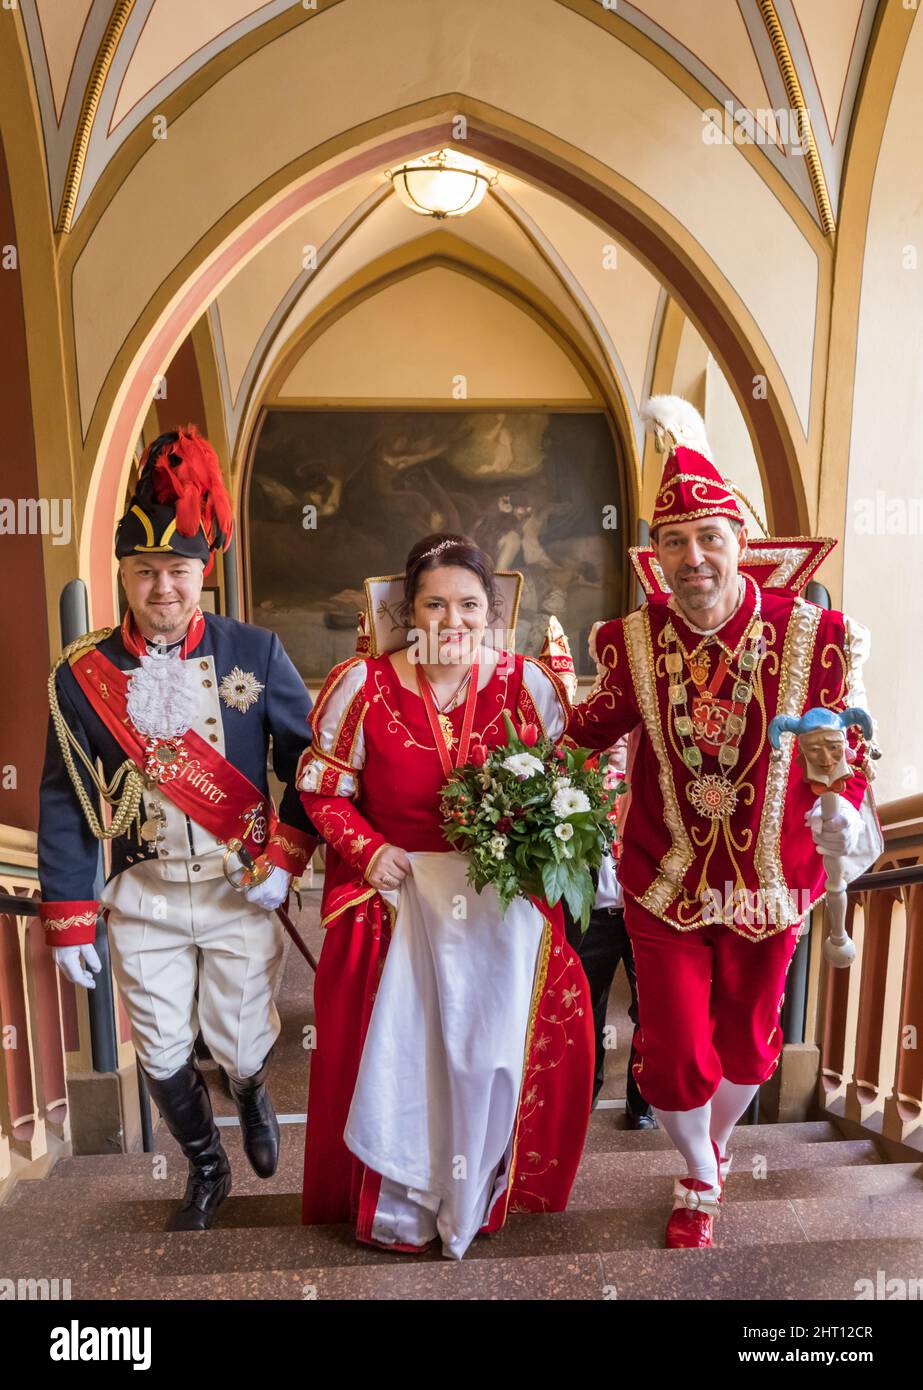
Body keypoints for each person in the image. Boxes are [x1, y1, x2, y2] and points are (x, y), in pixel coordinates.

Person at [566, 396, 883, 1249]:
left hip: (772, 881)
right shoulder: (629, 640)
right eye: (674, 541)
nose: (693, 557)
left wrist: (848, 816)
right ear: (656, 557)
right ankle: (699, 1176)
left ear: (741, 545)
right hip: (661, 878)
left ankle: (708, 1148)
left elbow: (841, 755)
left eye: (709, 537)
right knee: (670, 1050)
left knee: (747, 1047)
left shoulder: (812, 635)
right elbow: (581, 729)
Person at [37, 426, 318, 1231]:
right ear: (122, 574)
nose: (162, 587)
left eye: (177, 570)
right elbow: (64, 798)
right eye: (144, 571)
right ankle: (206, 1167)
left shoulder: (254, 651)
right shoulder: (82, 676)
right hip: (143, 892)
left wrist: (283, 855)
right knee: (160, 1045)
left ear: (204, 574)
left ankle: (252, 1086)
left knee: (241, 1036)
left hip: (239, 888)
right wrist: (68, 918)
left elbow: (309, 766)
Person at [297, 533, 595, 1259]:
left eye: (468, 604)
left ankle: (477, 1197)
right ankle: (398, 1205)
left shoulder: (528, 685)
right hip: (398, 903)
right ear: (409, 609)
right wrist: (368, 852)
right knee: (408, 1055)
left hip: (499, 910)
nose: (451, 619)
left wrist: (542, 847)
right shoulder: (361, 686)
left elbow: (569, 790)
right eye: (434, 603)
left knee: (487, 1057)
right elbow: (322, 789)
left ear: (491, 611)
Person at [569, 736, 654, 1127]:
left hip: (643, 914)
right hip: (594, 915)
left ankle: (641, 1105)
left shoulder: (651, 783)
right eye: (612, 730)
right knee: (586, 1012)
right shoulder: (573, 784)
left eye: (627, 730)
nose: (618, 738)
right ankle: (582, 1102)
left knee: (651, 1010)